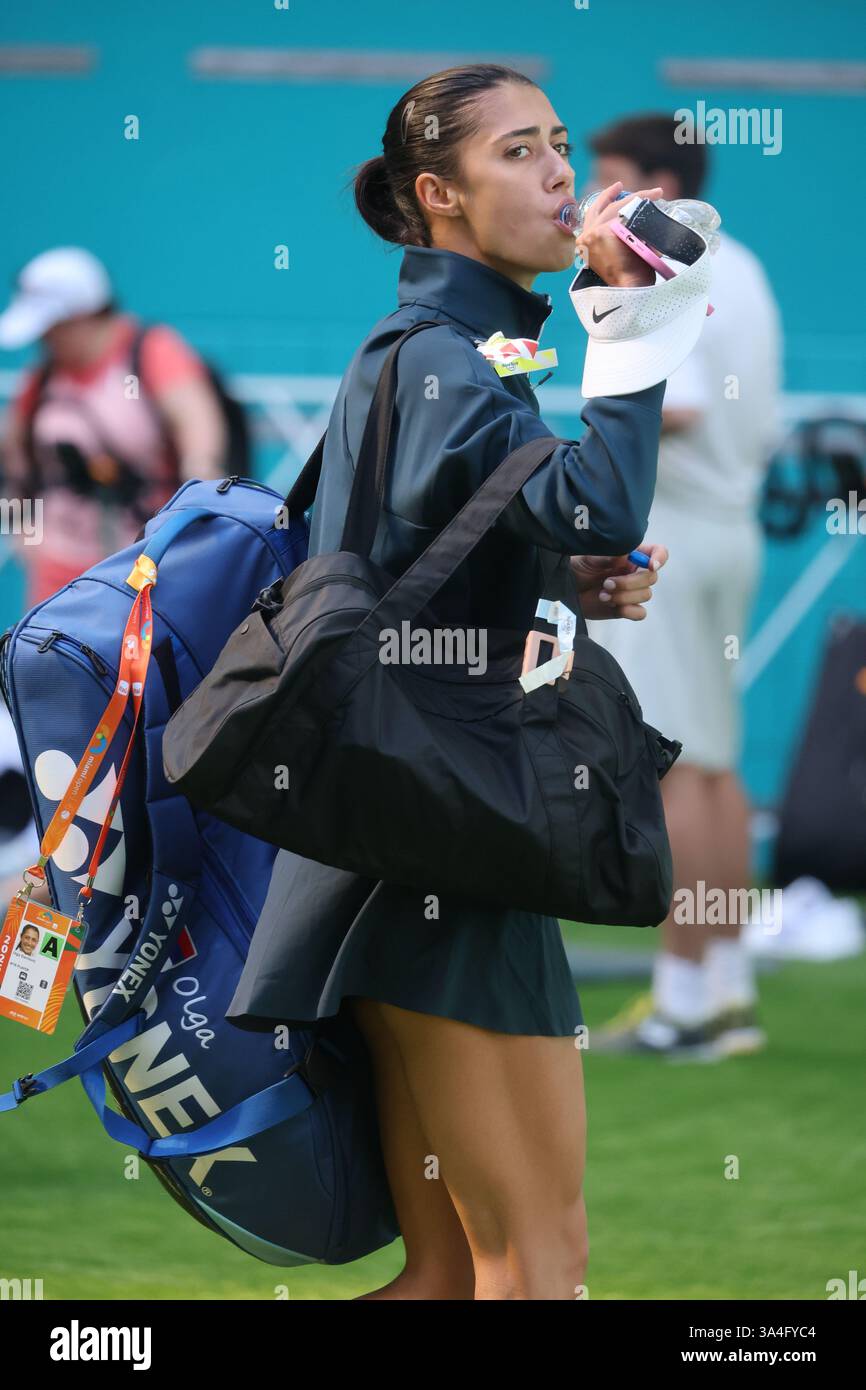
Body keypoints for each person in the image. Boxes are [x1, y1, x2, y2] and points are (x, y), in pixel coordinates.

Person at [224, 65, 698, 1301]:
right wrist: (628, 312)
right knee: (537, 1272)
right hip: (441, 850)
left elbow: (460, 540)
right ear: (437, 194)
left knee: (445, 1277)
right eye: (518, 153)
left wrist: (560, 574)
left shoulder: (453, 350)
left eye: (558, 143)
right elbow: (598, 491)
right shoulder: (438, 355)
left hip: (416, 830)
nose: (559, 173)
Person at [582, 114, 784, 1059]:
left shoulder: (679, 257)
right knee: (713, 767)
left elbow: (684, 405)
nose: (592, 193)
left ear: (659, 183)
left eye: (613, 178)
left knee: (672, 768)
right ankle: (722, 990)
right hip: (726, 533)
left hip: (678, 539)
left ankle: (684, 1002)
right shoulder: (741, 265)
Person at [0, 246, 229, 608]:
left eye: (50, 329)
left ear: (82, 316)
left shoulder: (152, 351)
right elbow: (14, 467)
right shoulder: (43, 376)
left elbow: (200, 435)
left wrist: (190, 517)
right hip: (55, 574)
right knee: (49, 662)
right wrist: (23, 537)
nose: (42, 340)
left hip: (142, 565)